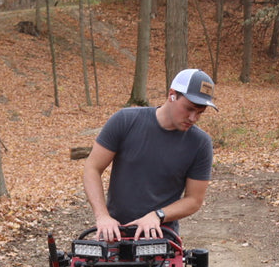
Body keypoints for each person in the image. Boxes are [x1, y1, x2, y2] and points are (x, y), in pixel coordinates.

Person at [83, 68, 217, 242]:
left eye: (200, 112)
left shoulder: (200, 143)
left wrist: (157, 215)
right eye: (189, 109)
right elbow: (92, 168)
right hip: (115, 230)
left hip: (161, 234)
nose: (193, 118)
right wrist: (103, 216)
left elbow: (194, 200)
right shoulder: (125, 121)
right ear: (172, 95)